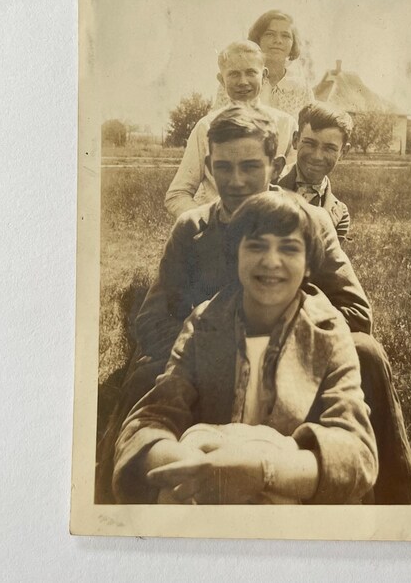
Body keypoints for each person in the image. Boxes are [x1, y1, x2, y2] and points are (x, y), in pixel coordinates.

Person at [96, 105, 411, 505]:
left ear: (276, 163)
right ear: (208, 165)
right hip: (204, 356)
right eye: (223, 167)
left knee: (366, 352)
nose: (236, 180)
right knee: (145, 373)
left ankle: (400, 499)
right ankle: (111, 500)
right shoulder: (194, 228)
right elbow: (152, 317)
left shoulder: (311, 222)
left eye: (251, 166)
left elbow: (356, 312)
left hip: (301, 353)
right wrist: (210, 348)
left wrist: (288, 329)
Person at [112, 191, 378, 505]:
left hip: (292, 497)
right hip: (206, 490)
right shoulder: (205, 323)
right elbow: (151, 418)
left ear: (308, 266)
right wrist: (195, 467)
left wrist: (262, 470)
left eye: (289, 248)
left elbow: (356, 449)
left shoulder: (327, 332)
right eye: (256, 245)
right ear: (236, 255)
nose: (271, 261)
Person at [164, 41, 297, 218]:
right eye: (234, 74)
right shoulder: (206, 126)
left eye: (251, 72)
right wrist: (209, 224)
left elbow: (296, 189)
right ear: (221, 79)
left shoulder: (286, 124)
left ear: (264, 75)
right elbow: (177, 195)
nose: (243, 82)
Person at [213, 10, 314, 117]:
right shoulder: (236, 83)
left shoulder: (302, 89)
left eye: (285, 36)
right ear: (258, 39)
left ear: (293, 43)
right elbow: (216, 123)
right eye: (270, 34)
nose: (278, 40)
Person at [279, 101, 352, 242]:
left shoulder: (339, 214)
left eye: (329, 148)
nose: (317, 156)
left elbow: (329, 262)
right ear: (295, 140)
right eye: (310, 143)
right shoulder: (266, 185)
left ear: (344, 152)